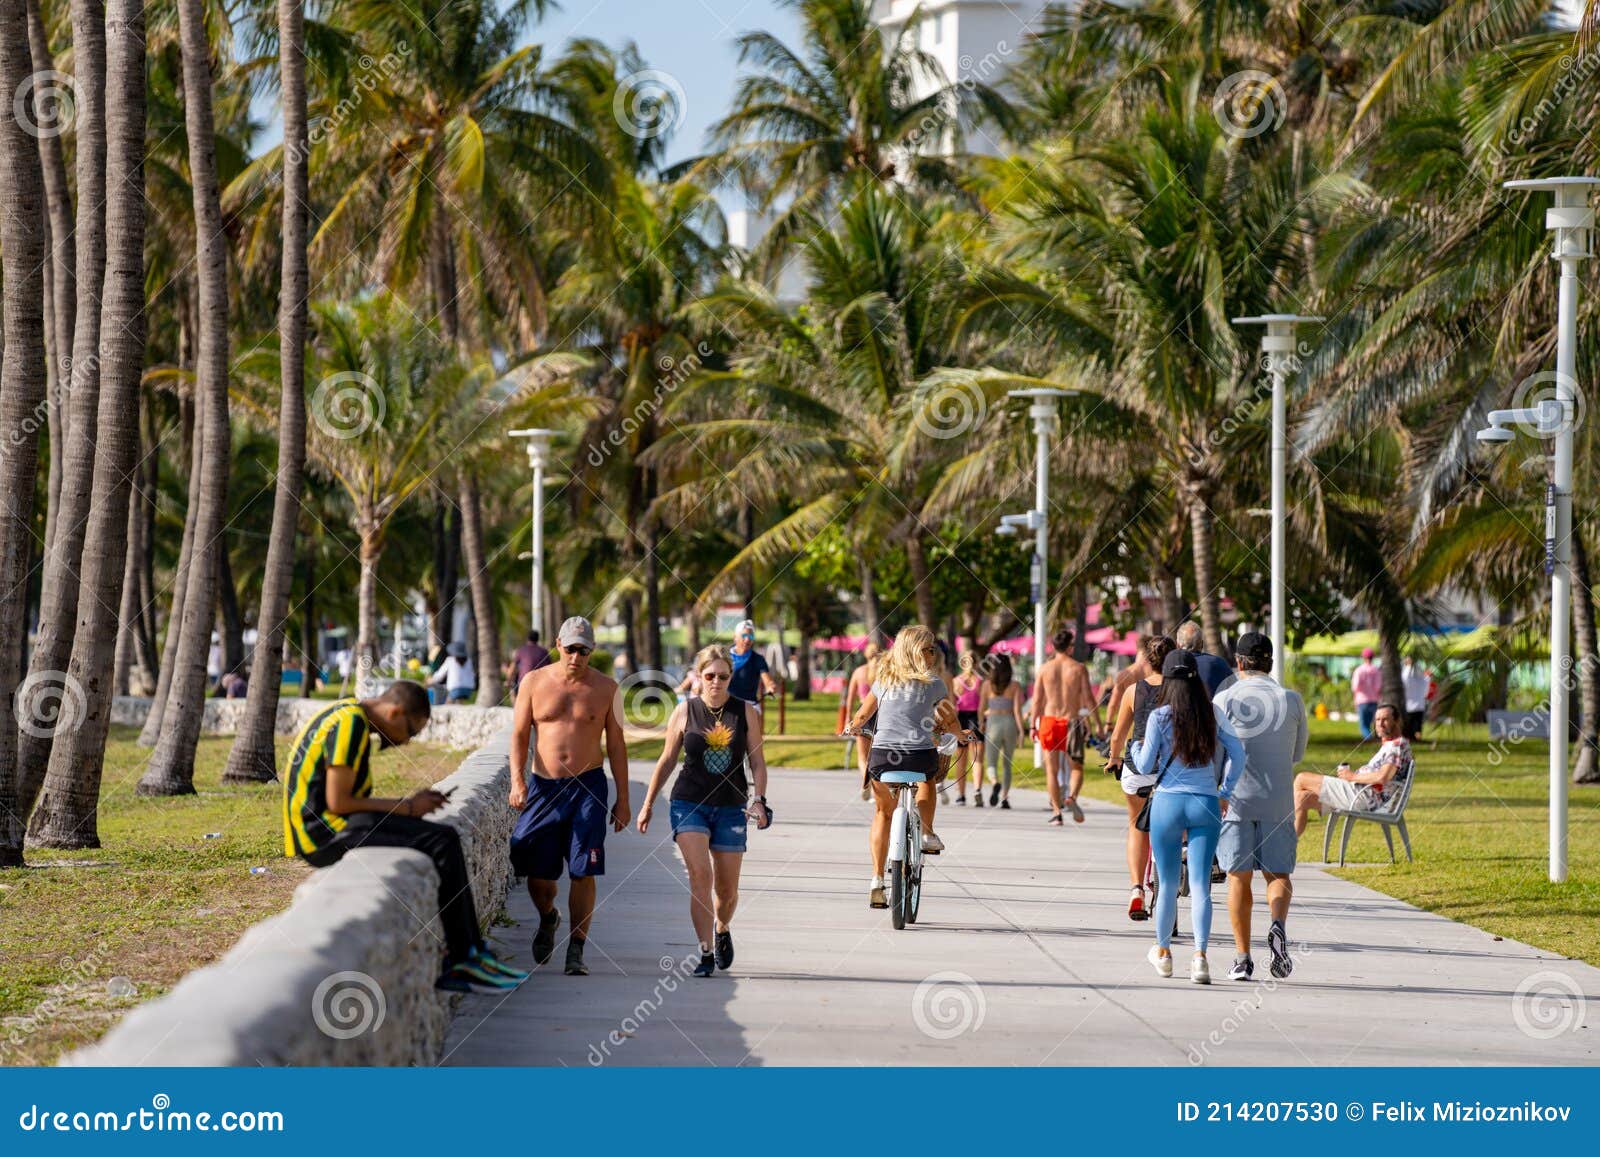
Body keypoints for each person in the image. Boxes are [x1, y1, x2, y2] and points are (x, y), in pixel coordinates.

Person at [282, 681, 527, 992]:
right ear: (395, 712)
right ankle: (464, 958)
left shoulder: (347, 715)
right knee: (443, 840)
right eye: (410, 731)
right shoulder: (350, 724)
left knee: (441, 836)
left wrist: (410, 807)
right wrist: (409, 808)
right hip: (322, 836)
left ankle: (471, 953)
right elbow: (339, 802)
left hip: (334, 827)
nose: (407, 742)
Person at [508, 616, 633, 977]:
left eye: (584, 650)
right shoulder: (533, 682)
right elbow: (518, 736)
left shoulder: (608, 688)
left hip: (588, 787)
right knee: (533, 864)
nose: (576, 656)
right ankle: (548, 917)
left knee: (583, 870)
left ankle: (576, 948)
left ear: (591, 651)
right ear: (557, 644)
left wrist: (623, 799)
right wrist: (518, 783)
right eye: (571, 648)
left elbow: (618, 746)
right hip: (544, 787)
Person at [638, 646, 772, 977]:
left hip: (731, 806)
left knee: (726, 892)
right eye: (709, 675)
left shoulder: (746, 712)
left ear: (731, 677)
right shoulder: (685, 713)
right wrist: (647, 804)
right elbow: (667, 760)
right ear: (699, 676)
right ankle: (705, 952)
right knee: (701, 876)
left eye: (722, 676)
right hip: (688, 804)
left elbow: (756, 761)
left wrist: (760, 799)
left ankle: (722, 928)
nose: (715, 682)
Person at [1132, 649, 1247, 985]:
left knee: (1166, 884)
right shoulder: (1211, 714)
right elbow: (1238, 753)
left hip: (1167, 802)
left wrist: (1135, 747)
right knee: (1201, 886)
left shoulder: (1159, 717)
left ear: (1167, 680)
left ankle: (1164, 953)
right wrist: (1225, 791)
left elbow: (1144, 765)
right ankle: (1200, 958)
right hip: (1206, 802)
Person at [845, 625, 968, 908]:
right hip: (919, 756)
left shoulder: (884, 679)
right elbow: (949, 718)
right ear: (914, 652)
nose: (932, 654)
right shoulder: (935, 683)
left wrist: (852, 726)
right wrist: (960, 736)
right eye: (927, 649)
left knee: (881, 814)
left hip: (883, 756)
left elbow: (864, 714)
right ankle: (926, 833)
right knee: (928, 780)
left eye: (933, 649)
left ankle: (877, 880)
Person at [1213, 632, 1307, 982]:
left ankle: (1241, 958)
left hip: (1235, 801)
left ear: (1238, 662)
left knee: (1238, 878)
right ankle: (1278, 926)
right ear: (1271, 662)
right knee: (1278, 875)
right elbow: (1297, 754)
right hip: (1279, 800)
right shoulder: (1292, 700)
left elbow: (1217, 757)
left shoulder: (1224, 699)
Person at [1105, 633, 1175, 921]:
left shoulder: (1134, 690)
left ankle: (1136, 889)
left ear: (1147, 661)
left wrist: (1113, 759)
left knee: (1136, 826)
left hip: (1138, 770)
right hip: (1171, 771)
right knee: (1176, 824)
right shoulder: (1182, 690)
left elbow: (1119, 735)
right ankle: (1177, 867)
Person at [1293, 703, 1413, 835]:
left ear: (1396, 721)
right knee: (1301, 798)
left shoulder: (1397, 746)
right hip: (1360, 795)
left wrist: (1352, 776)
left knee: (1301, 778)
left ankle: (1280, 829)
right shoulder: (1391, 745)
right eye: (1378, 719)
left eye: (1385, 719)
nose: (1380, 723)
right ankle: (1288, 847)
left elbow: (1383, 777)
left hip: (1364, 798)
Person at [1031, 627, 1104, 826]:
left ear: (1054, 646)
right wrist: (1098, 724)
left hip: (1049, 721)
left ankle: (1057, 813)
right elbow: (1088, 699)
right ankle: (1071, 796)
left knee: (1051, 771)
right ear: (1070, 647)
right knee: (1076, 768)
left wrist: (1032, 726)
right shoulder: (1079, 668)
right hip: (1071, 721)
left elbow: (1037, 700)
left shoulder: (1045, 669)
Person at [980, 651, 1024, 809]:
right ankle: (1005, 798)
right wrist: (1022, 731)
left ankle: (994, 782)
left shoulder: (986, 685)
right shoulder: (1015, 686)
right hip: (1010, 723)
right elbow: (1018, 711)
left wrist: (981, 723)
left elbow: (981, 708)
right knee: (1007, 764)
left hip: (993, 723)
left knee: (991, 762)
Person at [839, 642, 881, 800]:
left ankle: (866, 779)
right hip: (880, 712)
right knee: (876, 753)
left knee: (862, 756)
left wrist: (848, 719)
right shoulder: (883, 672)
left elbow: (849, 698)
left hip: (863, 712)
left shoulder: (859, 672)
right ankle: (875, 786)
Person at [950, 651, 985, 806]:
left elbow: (952, 705)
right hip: (976, 719)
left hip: (961, 720)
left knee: (961, 759)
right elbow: (984, 705)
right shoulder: (981, 681)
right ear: (976, 663)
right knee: (977, 759)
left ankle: (961, 795)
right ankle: (977, 790)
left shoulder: (956, 681)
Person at [727, 619, 779, 707]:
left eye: (751, 636)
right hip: (726, 704)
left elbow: (767, 680)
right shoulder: (723, 656)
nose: (747, 639)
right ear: (735, 637)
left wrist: (770, 686)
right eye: (744, 635)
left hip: (750, 704)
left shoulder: (758, 659)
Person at [1175, 622, 1233, 696]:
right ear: (1202, 644)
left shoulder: (1170, 666)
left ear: (1178, 645)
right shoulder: (1220, 663)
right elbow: (1235, 692)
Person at [1351, 647, 1382, 739]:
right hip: (1374, 700)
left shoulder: (1359, 670)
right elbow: (1378, 687)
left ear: (1363, 657)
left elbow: (1355, 686)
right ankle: (1373, 739)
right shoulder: (1376, 670)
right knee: (1373, 723)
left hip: (1362, 700)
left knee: (1364, 725)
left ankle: (1368, 739)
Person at [1402, 655, 1430, 739]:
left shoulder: (1406, 673)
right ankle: (1417, 739)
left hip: (1409, 706)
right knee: (1418, 727)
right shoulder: (1421, 673)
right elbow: (1426, 688)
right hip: (1420, 705)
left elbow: (1404, 681)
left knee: (1409, 726)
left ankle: (1411, 739)